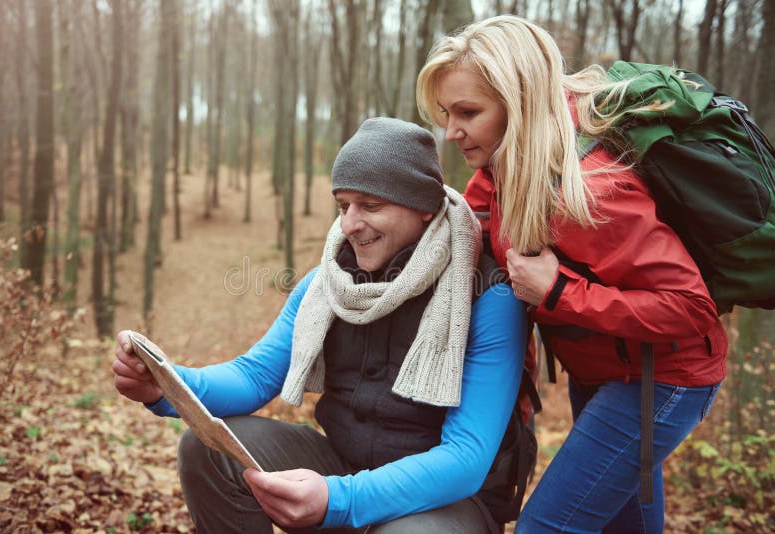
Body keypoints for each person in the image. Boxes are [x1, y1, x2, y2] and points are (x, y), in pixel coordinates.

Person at [112, 117, 529, 533]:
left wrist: (338, 500)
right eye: (344, 205)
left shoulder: (486, 298)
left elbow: (465, 458)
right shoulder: (327, 284)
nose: (349, 224)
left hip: (444, 503)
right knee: (207, 451)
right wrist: (165, 385)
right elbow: (255, 375)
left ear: (423, 207)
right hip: (340, 467)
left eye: (371, 205)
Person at [416, 15, 727, 534]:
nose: (452, 131)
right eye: (447, 113)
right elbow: (468, 232)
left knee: (549, 526)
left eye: (468, 112)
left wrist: (559, 290)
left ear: (518, 103)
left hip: (663, 379)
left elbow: (692, 309)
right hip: (600, 371)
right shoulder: (505, 167)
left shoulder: (592, 191)